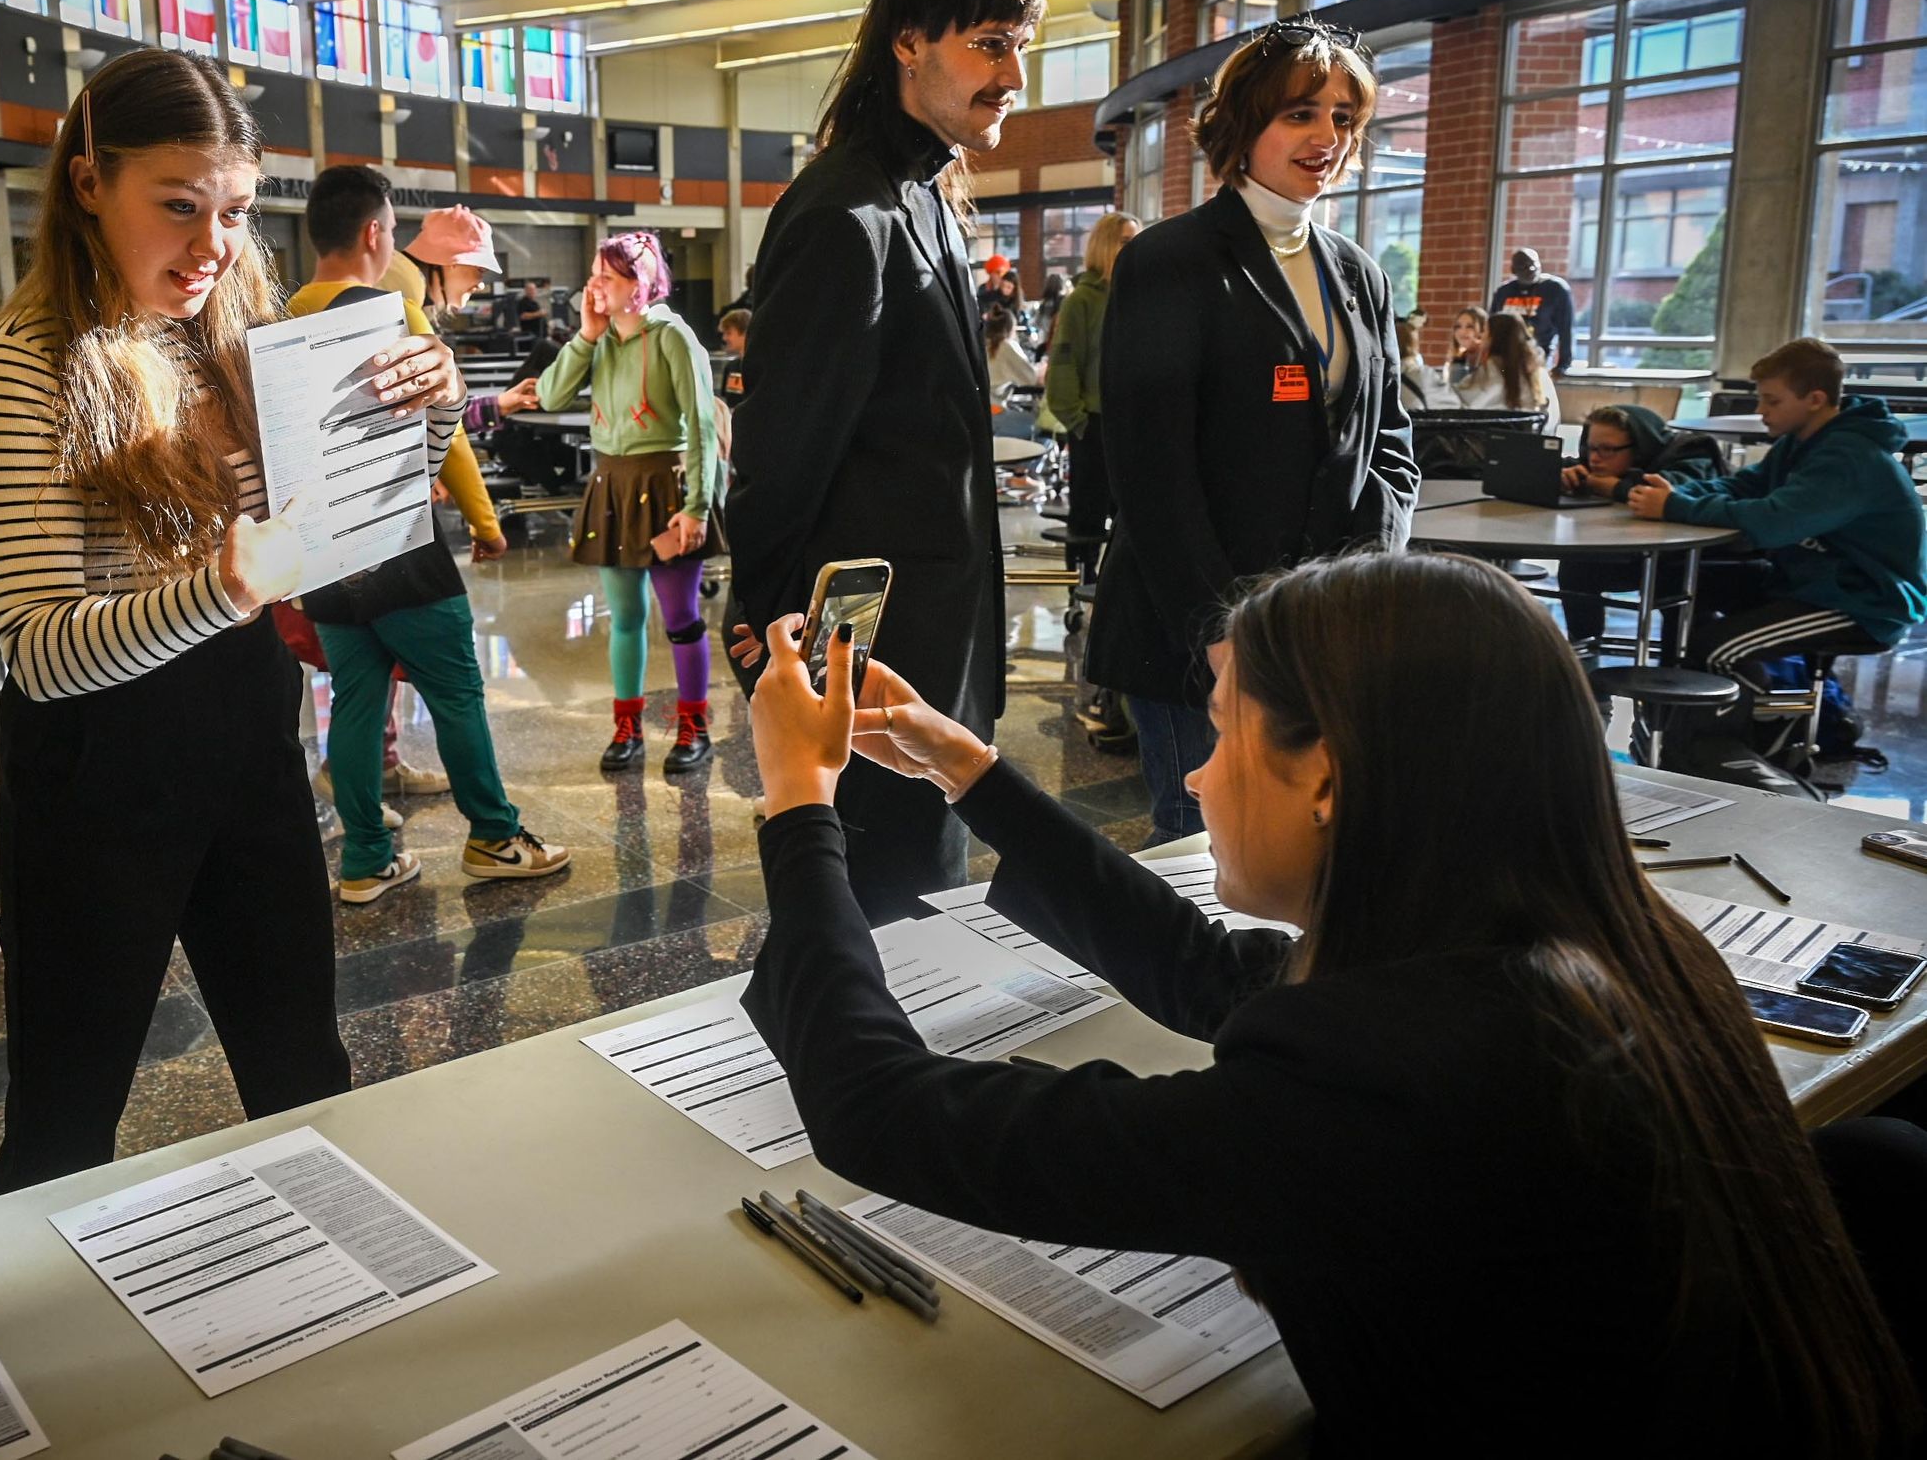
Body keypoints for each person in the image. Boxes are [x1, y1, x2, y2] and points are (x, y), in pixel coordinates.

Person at [739, 552, 1919, 1456]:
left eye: (1219, 729)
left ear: (1327, 776)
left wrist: (799, 806)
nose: (1195, 776)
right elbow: (1212, 972)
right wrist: (967, 770)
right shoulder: (1577, 947)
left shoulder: (1390, 1092)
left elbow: (886, 1110)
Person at [0, 49, 465, 1193]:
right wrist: (223, 591)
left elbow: (352, 521)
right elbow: (38, 647)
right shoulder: (20, 368)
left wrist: (432, 410)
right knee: (63, 1119)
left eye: (233, 210)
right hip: (96, 775)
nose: (211, 245)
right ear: (88, 183)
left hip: (243, 740)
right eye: (177, 207)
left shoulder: (228, 329)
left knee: (303, 1070)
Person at [725, 0, 1043, 922]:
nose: (1012, 76)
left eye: (1018, 47)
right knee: (880, 916)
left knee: (911, 914)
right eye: (989, 44)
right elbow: (784, 452)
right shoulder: (845, 211)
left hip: (926, 649)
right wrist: (762, 622)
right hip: (866, 658)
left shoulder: (919, 195)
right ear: (909, 41)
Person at [1086, 18, 1417, 841]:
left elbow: (1392, 449)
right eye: (1301, 113)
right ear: (1245, 124)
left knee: (1306, 853)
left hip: (1317, 634)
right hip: (1195, 636)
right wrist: (1224, 634)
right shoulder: (1172, 261)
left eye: (1345, 118)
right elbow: (1152, 473)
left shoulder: (1360, 274)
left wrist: (1365, 588)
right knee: (1205, 853)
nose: (1327, 137)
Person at [283, 169, 570, 903]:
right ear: (376, 234)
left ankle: (366, 859)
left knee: (353, 698)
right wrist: (484, 520)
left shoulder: (276, 319)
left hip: (323, 549)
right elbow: (447, 435)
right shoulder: (390, 313)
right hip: (396, 539)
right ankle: (494, 835)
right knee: (457, 690)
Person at [1628, 338, 1927, 698]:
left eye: (1772, 401)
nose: (1761, 410)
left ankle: (1754, 736)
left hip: (1863, 602)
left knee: (1716, 653)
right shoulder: (1800, 441)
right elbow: (1743, 486)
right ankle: (1678, 720)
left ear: (1814, 400)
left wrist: (1675, 506)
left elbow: (1771, 522)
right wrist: (1677, 495)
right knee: (1679, 584)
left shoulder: (1848, 459)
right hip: (1809, 582)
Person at [537, 230, 726, 773]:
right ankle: (628, 728)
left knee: (682, 619)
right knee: (624, 618)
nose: (594, 286)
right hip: (613, 483)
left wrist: (695, 506)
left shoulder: (672, 336)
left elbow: (703, 427)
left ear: (640, 286)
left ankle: (694, 728)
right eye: (594, 275)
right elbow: (550, 396)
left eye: (608, 278)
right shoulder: (599, 339)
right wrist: (585, 336)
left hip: (666, 483)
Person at [1554, 404, 1726, 653]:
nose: (1594, 458)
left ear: (1640, 446)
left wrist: (1612, 488)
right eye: (1591, 447)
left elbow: (1678, 488)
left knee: (1679, 593)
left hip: (1697, 563)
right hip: (1641, 557)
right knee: (1576, 565)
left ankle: (1672, 678)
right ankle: (1583, 660)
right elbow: (1567, 465)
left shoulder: (1691, 451)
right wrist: (1563, 476)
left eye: (1608, 450)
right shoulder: (1598, 462)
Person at [1042, 211, 1137, 552]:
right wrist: (1077, 421)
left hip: (1130, 423)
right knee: (1087, 519)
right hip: (1093, 424)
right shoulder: (1082, 300)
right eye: (1126, 240)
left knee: (1130, 521)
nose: (1134, 248)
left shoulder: (1138, 293)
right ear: (1107, 244)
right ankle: (1078, 593)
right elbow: (1064, 364)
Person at [1452, 310, 1559, 424]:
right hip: (1534, 436)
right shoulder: (1538, 370)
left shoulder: (1495, 370)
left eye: (1485, 332)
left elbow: (1461, 401)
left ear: (1494, 338)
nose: (1482, 337)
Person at [1493, 246, 1577, 374]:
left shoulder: (1555, 289)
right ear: (1514, 270)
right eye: (1524, 266)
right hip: (1507, 356)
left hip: (1540, 355)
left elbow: (1566, 328)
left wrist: (1564, 364)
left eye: (1534, 264)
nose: (1530, 269)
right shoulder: (1504, 292)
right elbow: (1493, 328)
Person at [717, 307, 751, 406]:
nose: (724, 338)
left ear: (744, 333)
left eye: (729, 333)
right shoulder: (731, 367)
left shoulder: (757, 366)